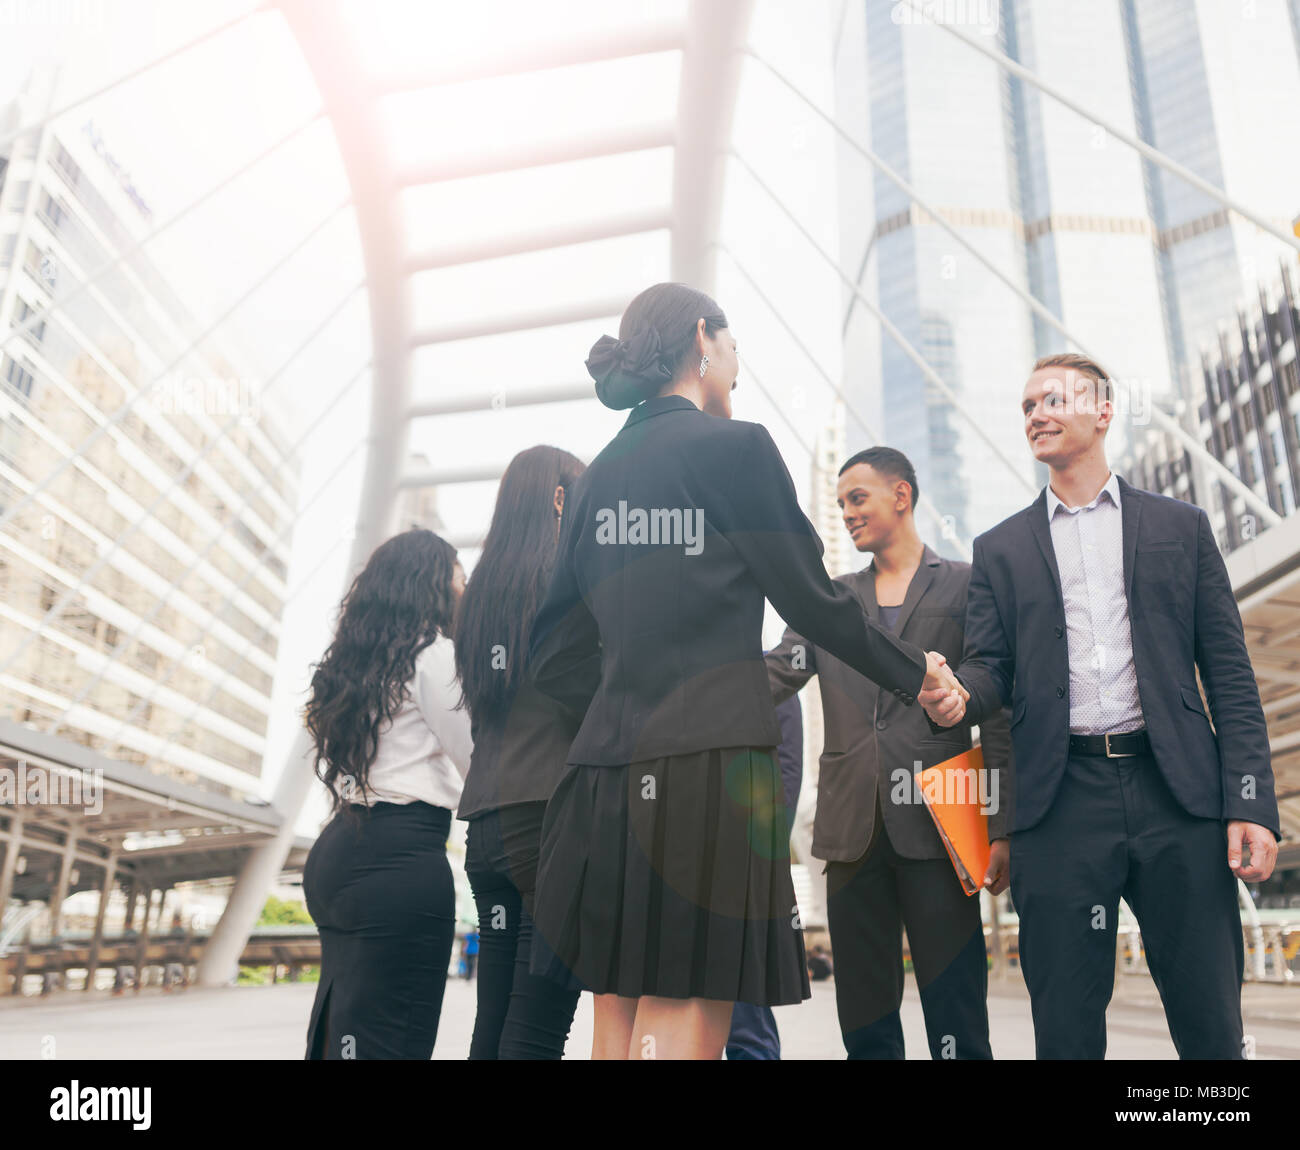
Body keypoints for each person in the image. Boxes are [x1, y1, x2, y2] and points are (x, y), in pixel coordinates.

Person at [525, 281, 966, 1060]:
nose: (738, 369)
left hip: (603, 777)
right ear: (704, 339)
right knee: (685, 1000)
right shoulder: (738, 450)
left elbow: (552, 650)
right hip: (706, 768)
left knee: (619, 1008)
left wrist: (619, 705)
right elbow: (818, 604)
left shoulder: (595, 478)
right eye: (734, 351)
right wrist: (917, 670)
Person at [921, 353, 1280, 1059]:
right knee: (1065, 1028)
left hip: (1177, 796)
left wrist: (1251, 803)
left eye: (1051, 400)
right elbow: (991, 670)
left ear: (1104, 411)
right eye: (1026, 407)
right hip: (1059, 807)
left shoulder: (1183, 527)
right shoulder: (999, 549)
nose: (1035, 415)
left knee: (1211, 1022)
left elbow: (1231, 677)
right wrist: (956, 695)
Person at [767, 446, 1013, 1059]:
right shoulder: (831, 599)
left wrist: (1002, 826)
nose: (847, 514)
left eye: (858, 499)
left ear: (901, 496)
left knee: (956, 1008)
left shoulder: (964, 583)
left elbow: (998, 703)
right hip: (851, 830)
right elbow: (776, 673)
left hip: (943, 828)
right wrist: (682, 682)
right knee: (865, 1016)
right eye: (842, 503)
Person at [301, 529, 471, 1060]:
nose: (465, 582)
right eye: (458, 570)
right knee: (392, 1032)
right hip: (399, 857)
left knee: (343, 1021)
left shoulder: (355, 664)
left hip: (339, 853)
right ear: (433, 581)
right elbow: (479, 760)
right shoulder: (433, 654)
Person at [455, 445, 588, 1059]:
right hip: (549, 826)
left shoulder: (479, 595)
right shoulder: (569, 583)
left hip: (486, 829)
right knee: (537, 1030)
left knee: (495, 1024)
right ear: (562, 500)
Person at [724, 693, 804, 1060]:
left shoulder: (770, 673)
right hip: (685, 849)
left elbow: (788, 766)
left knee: (744, 1000)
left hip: (745, 852)